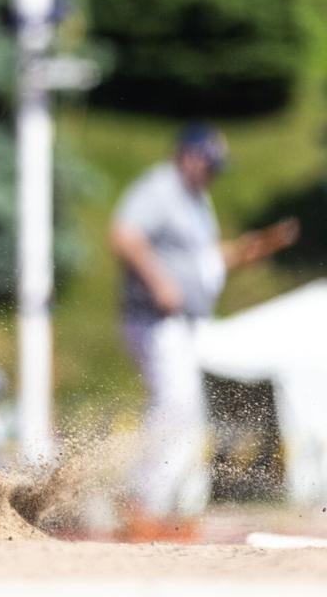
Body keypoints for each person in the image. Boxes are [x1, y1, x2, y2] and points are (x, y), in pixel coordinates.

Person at [110, 124, 298, 539]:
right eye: (209, 164)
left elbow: (202, 261)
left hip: (183, 325)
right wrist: (158, 281)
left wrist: (256, 247)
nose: (213, 173)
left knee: (185, 414)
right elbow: (124, 235)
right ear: (189, 156)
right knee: (176, 408)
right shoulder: (161, 188)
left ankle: (152, 506)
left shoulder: (196, 201)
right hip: (156, 320)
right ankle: (140, 503)